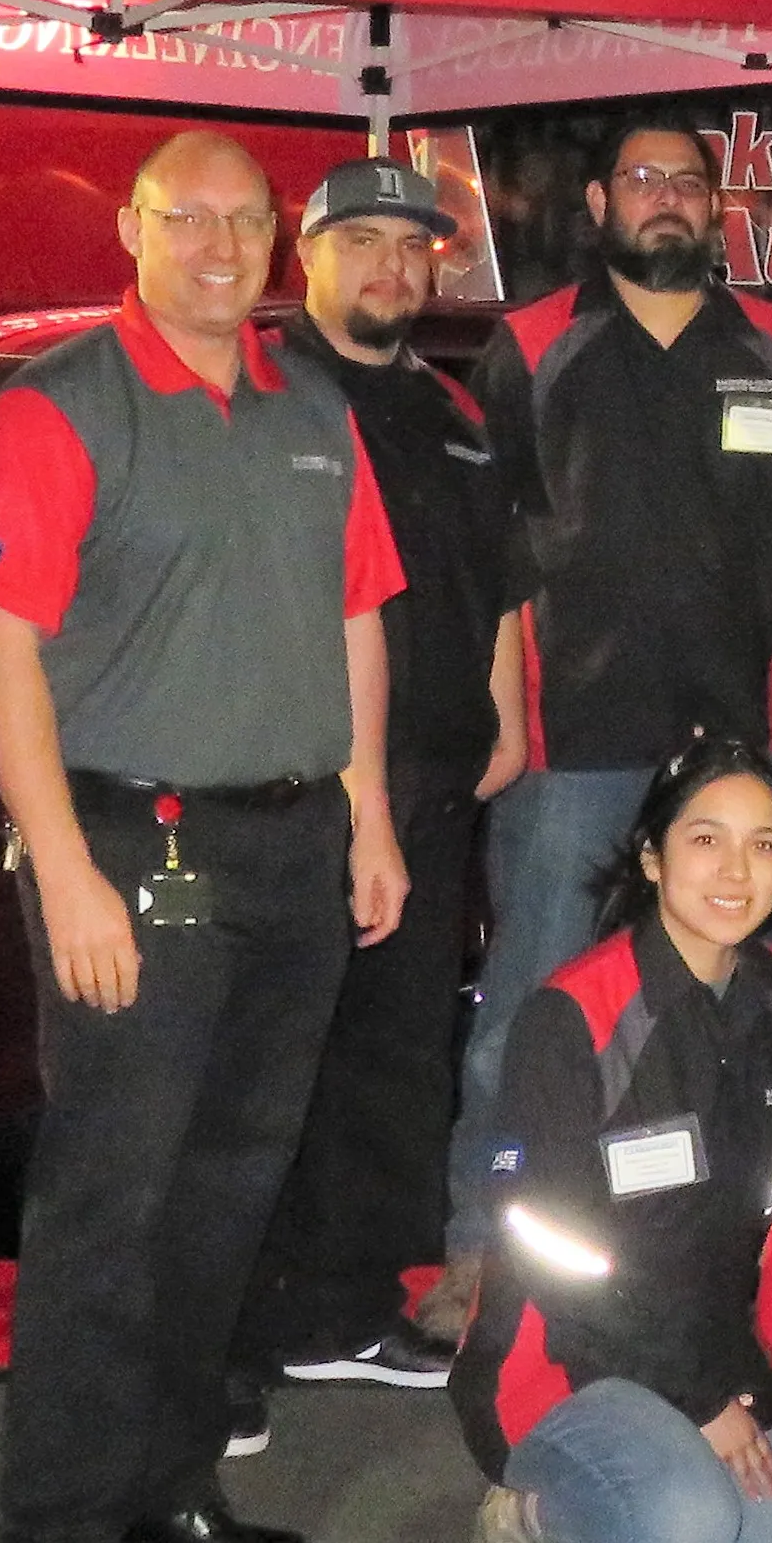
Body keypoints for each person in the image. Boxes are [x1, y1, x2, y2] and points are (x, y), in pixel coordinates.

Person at [0, 129, 415, 1543]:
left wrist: (367, 812)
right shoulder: (60, 408)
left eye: (243, 221)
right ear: (130, 232)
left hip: (290, 847)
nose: (218, 247)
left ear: (277, 240)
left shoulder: (310, 407)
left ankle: (165, 1483)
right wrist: (62, 865)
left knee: (228, 1195)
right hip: (131, 848)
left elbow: (354, 617)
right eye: (185, 218)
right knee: (112, 1205)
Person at [428, 113, 772, 1351]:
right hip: (573, 735)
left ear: (717, 206)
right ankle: (479, 1248)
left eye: (687, 182)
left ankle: (728, 1251)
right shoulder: (535, 344)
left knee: (727, 1008)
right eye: (641, 180)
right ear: (597, 204)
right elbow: (494, 546)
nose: (666, 199)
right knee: (531, 1002)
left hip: (729, 740)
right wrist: (506, 711)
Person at [233, 160, 529, 1414]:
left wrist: (506, 718)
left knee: (394, 1059)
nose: (390, 267)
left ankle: (345, 1307)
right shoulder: (264, 395)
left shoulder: (449, 409)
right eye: (359, 241)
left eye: (411, 247)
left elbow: (499, 579)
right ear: (304, 254)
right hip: (310, 786)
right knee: (291, 1066)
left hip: (435, 783)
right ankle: (266, 1321)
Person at [453, 740, 772, 1543]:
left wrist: (726, 1382)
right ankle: (528, 1519)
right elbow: (547, 1251)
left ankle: (662, 1468)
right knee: (680, 1529)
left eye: (764, 844)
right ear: (652, 857)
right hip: (562, 1355)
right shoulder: (574, 1013)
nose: (736, 871)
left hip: (713, 1348)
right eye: (706, 840)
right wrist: (697, 1400)